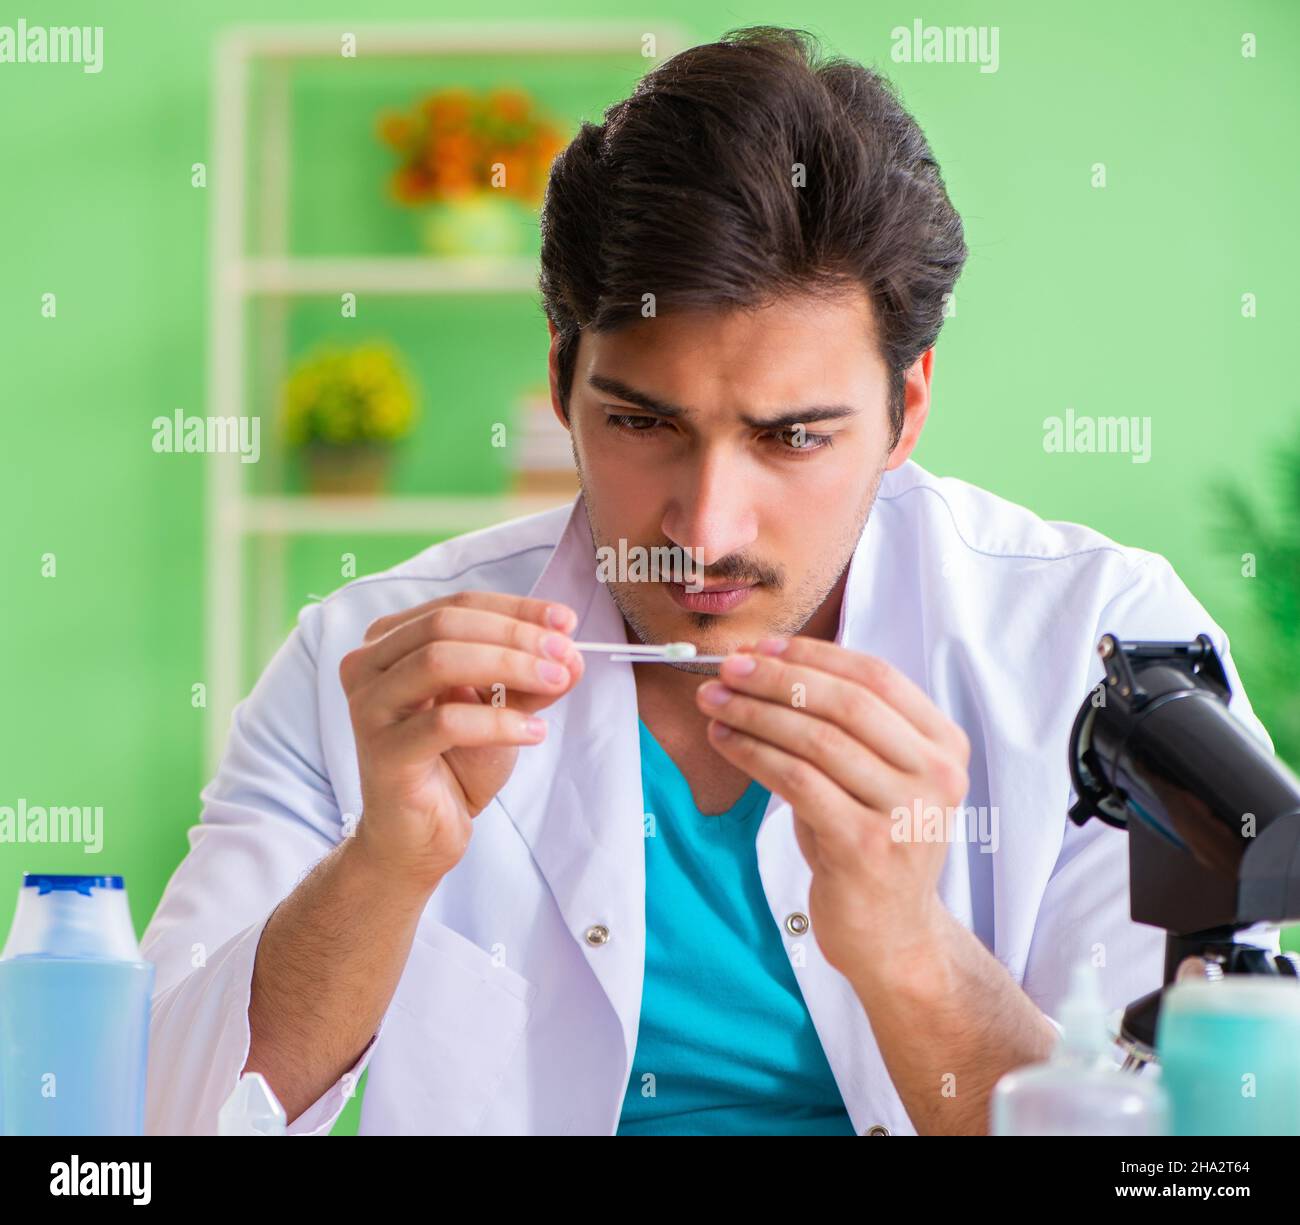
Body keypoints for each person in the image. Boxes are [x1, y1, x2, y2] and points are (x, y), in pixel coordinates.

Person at [142, 26, 1276, 1136]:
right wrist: (387, 865)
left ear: (906, 408)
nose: (705, 526)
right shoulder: (376, 666)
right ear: (559, 381)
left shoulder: (1104, 651)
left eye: (791, 438)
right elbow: (132, 1132)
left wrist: (906, 947)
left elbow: (1188, 1158)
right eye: (642, 422)